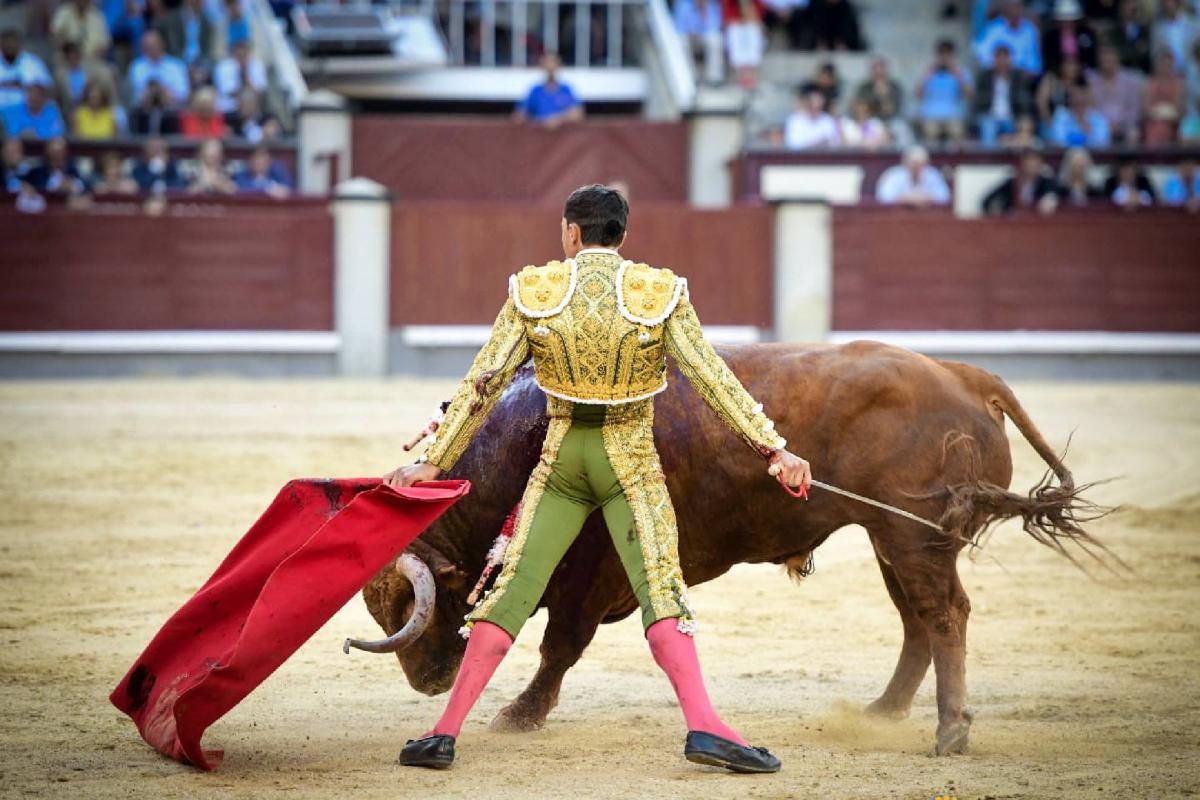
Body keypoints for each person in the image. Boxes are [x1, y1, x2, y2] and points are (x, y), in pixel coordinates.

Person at [385, 184, 809, 774]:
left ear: (571, 232)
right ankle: (704, 727)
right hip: (628, 462)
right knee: (661, 591)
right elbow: (714, 380)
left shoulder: (536, 290)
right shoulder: (658, 291)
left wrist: (434, 460)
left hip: (562, 462)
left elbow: (484, 382)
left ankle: (442, 732)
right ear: (623, 234)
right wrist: (776, 450)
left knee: (510, 592)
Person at [973, 44, 1035, 146]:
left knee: (1025, 125)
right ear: (994, 59)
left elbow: (1023, 99)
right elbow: (978, 99)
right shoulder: (985, 76)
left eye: (1004, 58)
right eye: (999, 57)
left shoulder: (1017, 76)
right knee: (988, 130)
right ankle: (990, 159)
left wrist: (1023, 116)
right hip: (990, 116)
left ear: (1009, 59)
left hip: (1012, 116)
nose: (1001, 61)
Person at [917, 39, 972, 144]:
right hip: (930, 115)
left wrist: (958, 75)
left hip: (954, 115)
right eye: (942, 53)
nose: (945, 57)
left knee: (957, 132)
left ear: (953, 55)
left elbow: (969, 94)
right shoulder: (929, 72)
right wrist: (928, 75)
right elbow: (918, 94)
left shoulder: (961, 72)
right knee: (930, 132)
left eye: (948, 54)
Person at [1086, 45, 1141, 142]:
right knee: (1094, 132)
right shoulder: (1091, 80)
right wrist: (1104, 124)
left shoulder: (1130, 80)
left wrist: (1121, 124)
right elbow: (1090, 107)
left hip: (1124, 124)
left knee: (1133, 134)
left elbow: (1133, 108)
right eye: (1104, 57)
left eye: (1110, 57)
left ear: (1117, 58)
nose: (1107, 60)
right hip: (1099, 124)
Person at [981, 147, 1059, 214]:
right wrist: (999, 210)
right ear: (1022, 164)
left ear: (1041, 164)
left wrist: (1052, 198)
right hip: (1013, 224)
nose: (1032, 165)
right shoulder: (1011, 183)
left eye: (1036, 162)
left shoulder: (1047, 183)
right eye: (1029, 162)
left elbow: (1059, 194)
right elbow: (987, 201)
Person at [514, 54, 584, 127]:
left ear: (558, 67)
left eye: (553, 67)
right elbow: (521, 113)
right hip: (539, 134)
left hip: (563, 136)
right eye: (547, 67)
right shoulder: (535, 91)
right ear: (543, 68)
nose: (550, 70)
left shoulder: (566, 90)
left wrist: (557, 119)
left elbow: (578, 114)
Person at [976, 0, 1043, 75]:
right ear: (1006, 7)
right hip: (996, 76)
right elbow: (982, 57)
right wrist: (1002, 66)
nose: (1016, 9)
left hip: (1023, 79)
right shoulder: (992, 28)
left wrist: (1016, 72)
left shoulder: (1030, 30)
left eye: (1018, 5)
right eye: (1012, 5)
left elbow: (1035, 66)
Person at [128, 29, 189, 109]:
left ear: (162, 44)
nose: (151, 48)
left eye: (154, 45)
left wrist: (164, 91)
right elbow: (134, 95)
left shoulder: (176, 65)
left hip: (172, 110)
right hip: (143, 110)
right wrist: (152, 92)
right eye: (147, 46)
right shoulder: (136, 67)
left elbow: (184, 94)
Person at [875, 145, 951, 206]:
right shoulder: (894, 175)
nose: (917, 167)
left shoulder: (932, 174)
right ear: (905, 162)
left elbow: (944, 196)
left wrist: (927, 197)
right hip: (897, 217)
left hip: (927, 217)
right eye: (914, 163)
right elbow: (883, 197)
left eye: (922, 164)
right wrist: (906, 198)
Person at [0, 29, 52, 112]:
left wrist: (24, 86)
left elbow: (47, 88)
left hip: (26, 113)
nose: (9, 46)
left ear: (19, 44)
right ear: (1, 45)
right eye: (6, 43)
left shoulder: (33, 63)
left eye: (12, 43)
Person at [1143, 49, 1186, 145]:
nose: (1165, 67)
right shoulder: (1149, 83)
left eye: (1168, 64)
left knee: (1163, 128)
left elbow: (1179, 111)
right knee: (1157, 129)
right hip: (1153, 122)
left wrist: (1160, 112)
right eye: (1162, 64)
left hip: (1174, 124)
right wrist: (1165, 112)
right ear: (1157, 65)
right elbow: (1146, 110)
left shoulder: (1178, 84)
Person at [1041, 0, 1097, 73]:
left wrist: (1079, 67)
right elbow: (1049, 60)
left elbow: (1091, 57)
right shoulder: (1050, 37)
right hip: (1058, 72)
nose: (1067, 23)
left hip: (1084, 72)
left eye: (1070, 20)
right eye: (1064, 20)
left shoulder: (1086, 33)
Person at [50, 0, 111, 66]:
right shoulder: (64, 13)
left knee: (107, 73)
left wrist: (94, 57)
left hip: (92, 62)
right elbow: (54, 35)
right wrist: (67, 49)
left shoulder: (97, 15)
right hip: (67, 62)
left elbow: (105, 45)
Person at [213, 38, 265, 113]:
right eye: (239, 54)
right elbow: (228, 91)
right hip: (228, 108)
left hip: (252, 109)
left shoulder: (257, 65)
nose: (242, 57)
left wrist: (245, 74)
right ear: (233, 53)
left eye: (245, 54)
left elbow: (260, 90)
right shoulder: (223, 66)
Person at [723, 0, 766, 88]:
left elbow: (759, 18)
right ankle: (741, 73)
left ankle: (752, 73)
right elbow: (727, 20)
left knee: (754, 29)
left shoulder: (758, 2)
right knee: (733, 31)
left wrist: (747, 8)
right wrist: (740, 19)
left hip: (751, 24)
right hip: (735, 26)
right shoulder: (728, 2)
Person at [2, 80, 66, 139]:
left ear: (44, 99)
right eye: (30, 94)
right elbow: (10, 131)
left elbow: (58, 132)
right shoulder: (14, 109)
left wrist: (37, 134)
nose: (33, 97)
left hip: (43, 146)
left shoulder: (51, 109)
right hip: (19, 144)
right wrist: (22, 133)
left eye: (37, 95)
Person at [783, 83, 840, 148]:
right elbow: (793, 145)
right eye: (812, 102)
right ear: (806, 101)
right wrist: (818, 143)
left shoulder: (827, 120)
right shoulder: (794, 120)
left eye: (819, 101)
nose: (815, 105)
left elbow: (835, 144)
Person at [162, 0, 216, 65]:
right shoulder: (174, 19)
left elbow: (208, 47)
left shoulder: (206, 20)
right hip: (179, 60)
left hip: (201, 61)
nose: (195, 2)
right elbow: (173, 46)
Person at [853, 57, 904, 124]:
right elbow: (861, 108)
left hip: (891, 120)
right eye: (875, 69)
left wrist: (884, 96)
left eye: (881, 69)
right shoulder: (864, 88)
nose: (878, 72)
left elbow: (893, 110)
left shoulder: (895, 87)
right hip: (869, 120)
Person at [1153, 0, 1199, 73]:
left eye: (1170, 2)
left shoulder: (1193, 25)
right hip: (1169, 75)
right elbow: (1155, 54)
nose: (1168, 5)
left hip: (1191, 73)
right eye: (1165, 2)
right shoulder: (1158, 29)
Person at [1114, 0, 1152, 72]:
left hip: (1140, 70)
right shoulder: (1115, 30)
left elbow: (1146, 51)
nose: (1131, 7)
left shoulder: (1144, 30)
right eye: (1127, 4)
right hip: (1121, 71)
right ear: (1121, 7)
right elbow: (1117, 52)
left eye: (1133, 3)